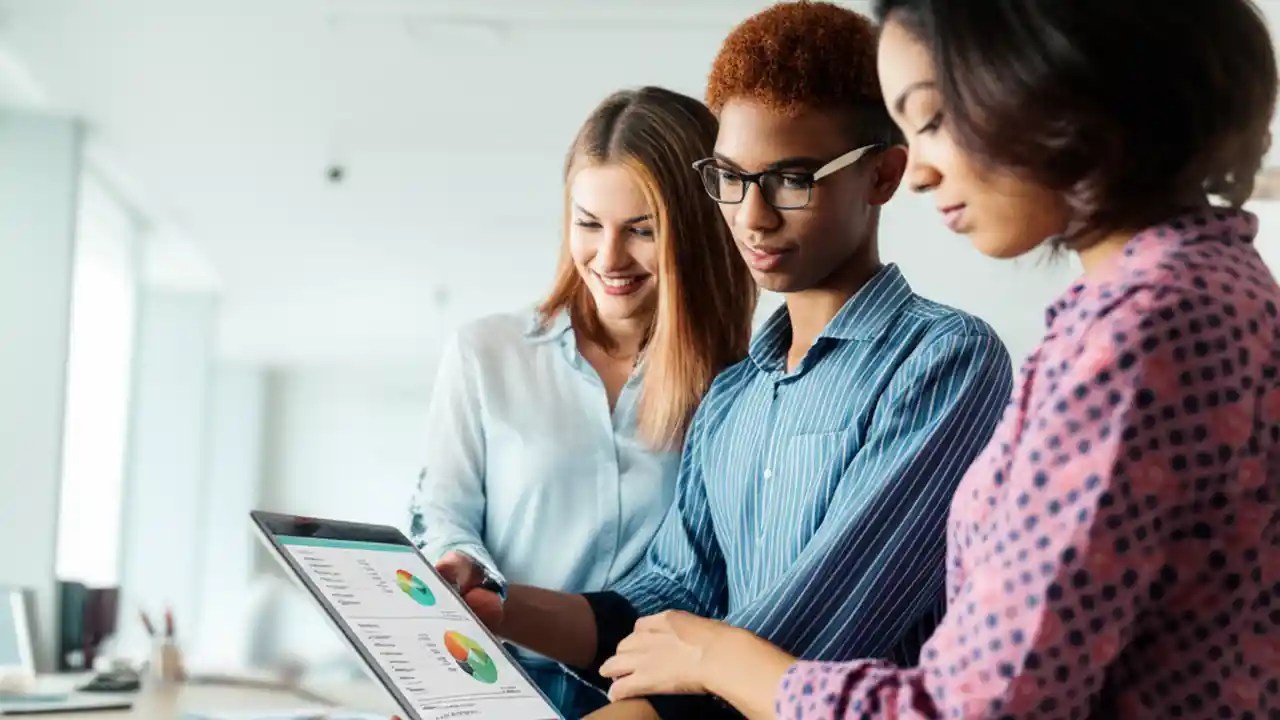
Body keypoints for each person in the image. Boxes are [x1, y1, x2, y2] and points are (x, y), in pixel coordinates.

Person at [595, 1, 1280, 718]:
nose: (918, 172)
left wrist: (720, 658)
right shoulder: (1206, 288)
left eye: (932, 120)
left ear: (1058, 90)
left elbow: (976, 707)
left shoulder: (1135, 333)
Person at [440, 4, 1015, 720]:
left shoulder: (944, 360)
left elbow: (811, 644)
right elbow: (670, 599)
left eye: (792, 179)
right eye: (732, 178)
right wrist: (496, 607)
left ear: (882, 175)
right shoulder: (733, 396)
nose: (752, 215)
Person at [407, 86, 757, 719]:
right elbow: (440, 514)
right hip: (491, 682)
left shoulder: (737, 385)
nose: (609, 257)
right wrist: (463, 568)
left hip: (645, 702)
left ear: (698, 229)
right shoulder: (488, 352)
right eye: (588, 223)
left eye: (642, 230)